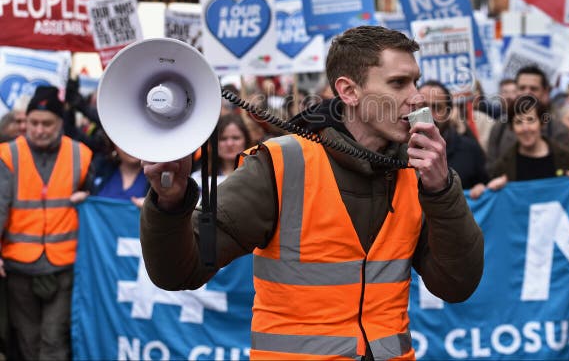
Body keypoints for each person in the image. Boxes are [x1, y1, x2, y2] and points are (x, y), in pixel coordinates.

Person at [139, 25, 483, 360]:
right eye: (398, 83)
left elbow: (457, 284)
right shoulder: (280, 165)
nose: (418, 97)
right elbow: (181, 271)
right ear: (349, 91)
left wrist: (442, 190)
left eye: (416, 81)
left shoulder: (417, 172)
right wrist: (170, 201)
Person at [0, 86, 93, 360]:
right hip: (19, 265)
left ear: (60, 123)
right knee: (27, 339)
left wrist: (88, 198)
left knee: (53, 340)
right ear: (25, 122)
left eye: (47, 123)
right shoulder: (7, 155)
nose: (39, 129)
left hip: (64, 265)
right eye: (34, 123)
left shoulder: (82, 155)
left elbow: (97, 204)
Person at [472, 96, 569, 199]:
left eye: (531, 120)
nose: (525, 128)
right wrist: (485, 190)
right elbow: (488, 195)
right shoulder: (503, 166)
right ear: (512, 128)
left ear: (541, 123)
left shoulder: (565, 157)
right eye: (519, 122)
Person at [486, 64, 569, 162]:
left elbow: (566, 166)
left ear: (545, 92)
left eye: (533, 89)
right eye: (522, 88)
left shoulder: (558, 129)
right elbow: (491, 168)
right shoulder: (500, 127)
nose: (527, 93)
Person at [419, 80, 488, 190]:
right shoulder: (400, 153)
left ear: (448, 112)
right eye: (422, 107)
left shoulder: (471, 149)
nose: (429, 115)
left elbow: (487, 185)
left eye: (437, 108)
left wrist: (482, 189)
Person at [190, 113, 253, 185]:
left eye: (235, 138)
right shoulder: (198, 178)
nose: (229, 144)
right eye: (223, 139)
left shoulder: (259, 175)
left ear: (246, 141)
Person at [90, 138, 150, 207]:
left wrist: (152, 209)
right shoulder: (98, 168)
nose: (130, 148)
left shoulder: (157, 178)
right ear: (114, 144)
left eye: (137, 142)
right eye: (124, 142)